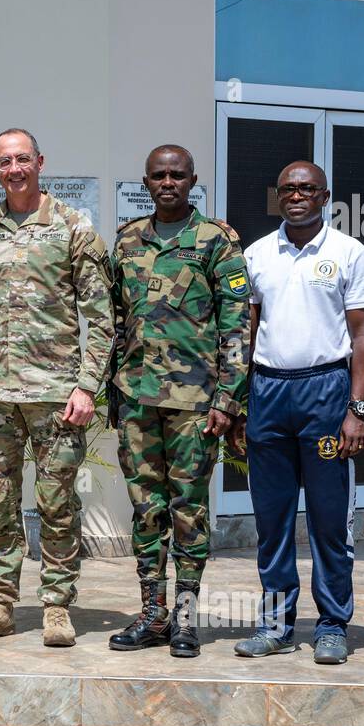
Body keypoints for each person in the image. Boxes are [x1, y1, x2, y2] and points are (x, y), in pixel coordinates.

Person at [0, 128, 114, 648]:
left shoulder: (73, 228)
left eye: (23, 159)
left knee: (56, 503)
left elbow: (101, 316)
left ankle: (57, 607)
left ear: (40, 162)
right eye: (4, 161)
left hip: (56, 396)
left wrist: (87, 385)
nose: (15, 168)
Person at [231, 161, 364, 664]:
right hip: (269, 392)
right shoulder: (256, 255)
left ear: (325, 195)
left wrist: (356, 408)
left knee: (329, 519)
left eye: (307, 188)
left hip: (325, 393)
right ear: (278, 196)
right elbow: (245, 333)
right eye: (288, 189)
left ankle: (333, 624)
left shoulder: (348, 252)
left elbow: (363, 335)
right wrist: (237, 402)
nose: (296, 196)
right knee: (271, 520)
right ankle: (275, 624)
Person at [106, 145, 249, 658]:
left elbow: (237, 325)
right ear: (146, 182)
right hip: (137, 398)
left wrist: (229, 398)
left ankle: (186, 619)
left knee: (188, 509)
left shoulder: (217, 242)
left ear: (193, 181)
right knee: (147, 510)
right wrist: (110, 394)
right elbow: (116, 322)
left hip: (195, 403)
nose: (168, 183)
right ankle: (153, 615)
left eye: (178, 175)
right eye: (159, 175)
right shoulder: (126, 241)